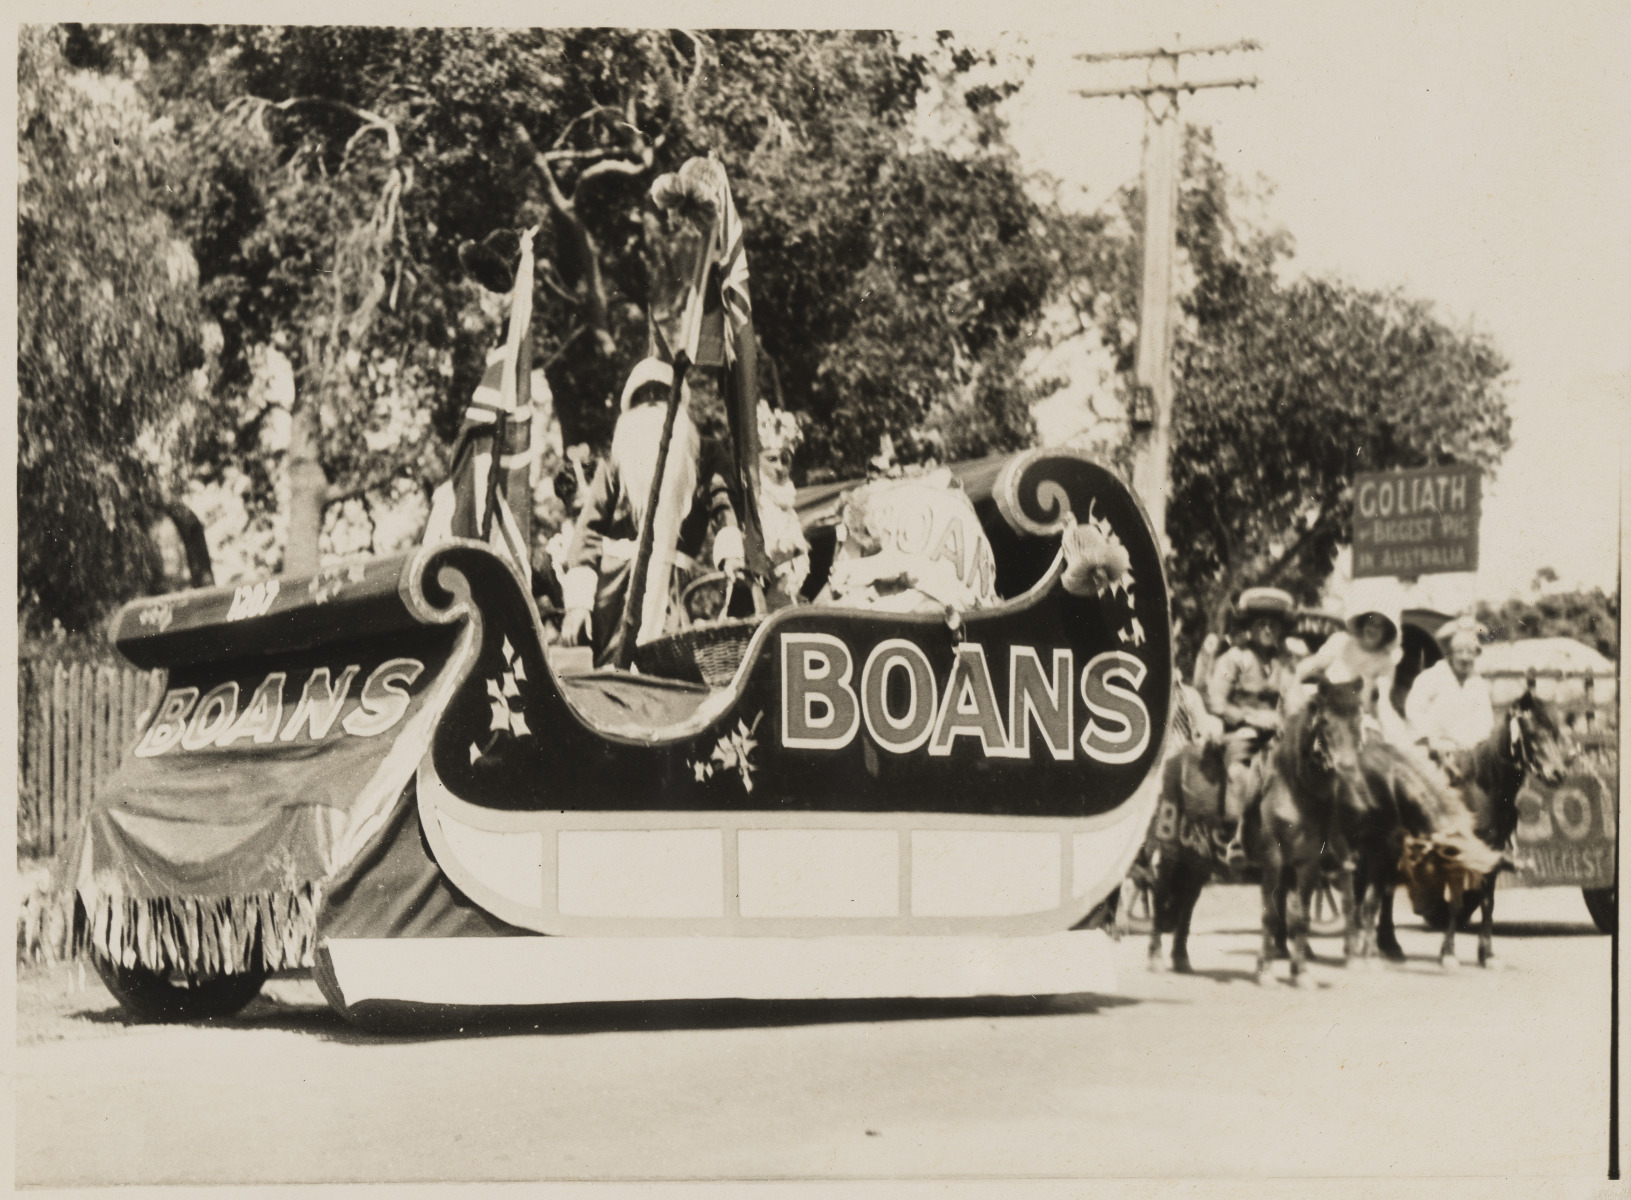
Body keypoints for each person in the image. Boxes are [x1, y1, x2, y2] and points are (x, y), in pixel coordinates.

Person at [560, 359, 743, 667]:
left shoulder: (704, 452)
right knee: (615, 674)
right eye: (644, 396)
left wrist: (731, 552)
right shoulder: (615, 460)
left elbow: (721, 499)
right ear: (630, 407)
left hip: (674, 584)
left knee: (670, 673)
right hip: (617, 587)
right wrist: (578, 604)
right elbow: (588, 530)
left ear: (678, 401)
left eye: (661, 394)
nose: (653, 402)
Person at [1207, 587, 1300, 860]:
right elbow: (1216, 701)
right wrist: (1250, 718)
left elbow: (1295, 701)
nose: (1268, 630)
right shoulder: (1234, 658)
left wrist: (1290, 720)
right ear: (1251, 627)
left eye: (1274, 625)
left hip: (1276, 737)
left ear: (1281, 630)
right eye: (1262, 624)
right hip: (1241, 734)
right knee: (1239, 776)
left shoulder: (1285, 666)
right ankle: (1232, 838)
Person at [1294, 578, 1410, 744]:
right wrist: (1306, 677)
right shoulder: (1341, 642)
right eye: (1370, 623)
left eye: (1380, 626)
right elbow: (1313, 665)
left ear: (1387, 632)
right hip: (1329, 707)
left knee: (1382, 743)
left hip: (1359, 713)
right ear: (1363, 624)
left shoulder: (1386, 661)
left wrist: (1392, 727)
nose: (1373, 630)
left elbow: (1383, 700)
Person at [1405, 616, 1496, 777]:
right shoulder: (1431, 678)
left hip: (1470, 756)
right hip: (1434, 754)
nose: (1465, 658)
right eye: (1460, 652)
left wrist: (1474, 744)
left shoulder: (1478, 684)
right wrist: (1433, 743)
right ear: (1450, 654)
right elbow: (1413, 710)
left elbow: (1486, 721)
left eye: (1471, 652)